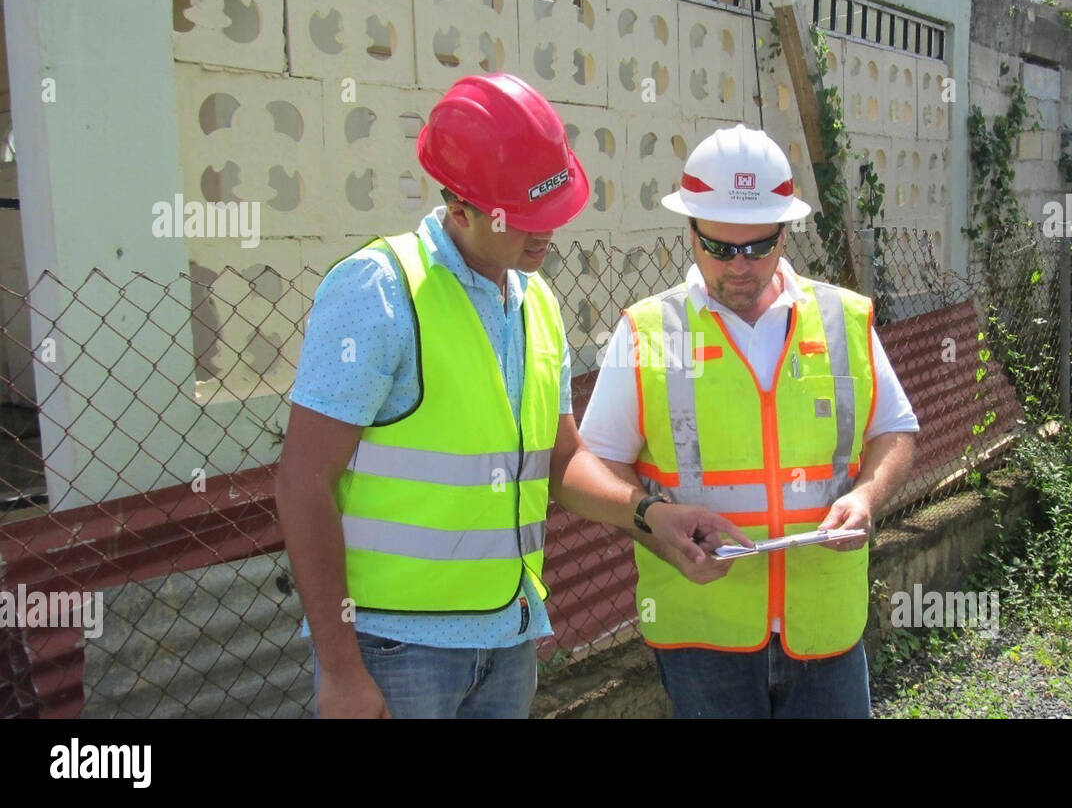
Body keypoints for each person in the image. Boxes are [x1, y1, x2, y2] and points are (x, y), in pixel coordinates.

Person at [275, 73, 744, 719]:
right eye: (527, 220)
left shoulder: (535, 303)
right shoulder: (379, 293)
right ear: (461, 209)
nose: (547, 233)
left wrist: (651, 517)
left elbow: (562, 462)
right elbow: (303, 482)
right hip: (395, 650)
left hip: (509, 635)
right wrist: (340, 669)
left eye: (555, 212)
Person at [579, 123, 920, 718]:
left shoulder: (842, 318)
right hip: (702, 635)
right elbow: (589, 470)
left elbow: (895, 431)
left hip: (826, 630)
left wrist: (867, 497)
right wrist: (653, 522)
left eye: (758, 247)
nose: (740, 266)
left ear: (784, 236)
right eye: (719, 247)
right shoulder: (647, 334)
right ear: (690, 232)